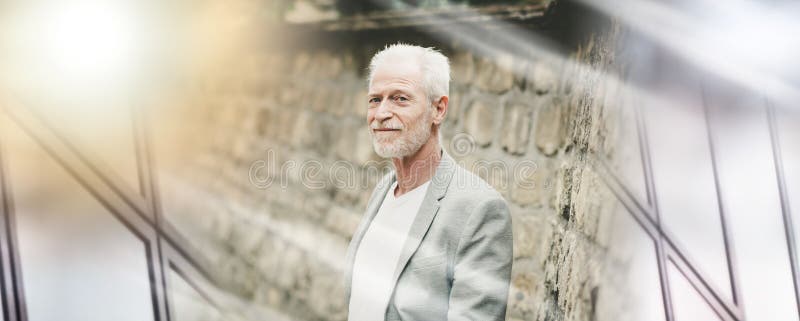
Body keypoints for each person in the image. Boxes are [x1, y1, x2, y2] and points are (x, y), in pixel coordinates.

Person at [344, 43, 513, 321]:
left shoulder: (481, 210)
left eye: (400, 98)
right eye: (375, 99)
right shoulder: (384, 190)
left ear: (438, 109)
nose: (381, 113)